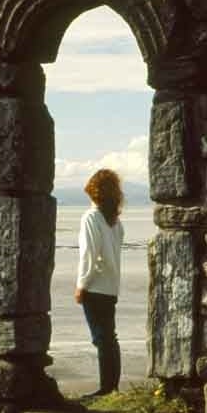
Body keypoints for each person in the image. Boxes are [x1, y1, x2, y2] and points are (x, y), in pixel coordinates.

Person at [74, 168, 126, 399]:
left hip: (95, 286)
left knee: (102, 339)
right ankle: (111, 386)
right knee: (109, 338)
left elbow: (89, 254)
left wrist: (81, 285)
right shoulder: (114, 221)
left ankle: (106, 389)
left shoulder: (91, 217)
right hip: (111, 286)